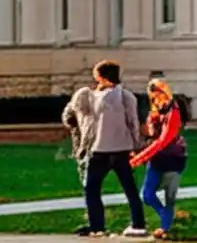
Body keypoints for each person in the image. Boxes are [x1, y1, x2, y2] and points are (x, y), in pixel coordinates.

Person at [82, 60, 147, 238]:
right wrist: (136, 145)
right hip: (121, 148)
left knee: (92, 188)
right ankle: (138, 223)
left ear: (101, 77)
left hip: (100, 149)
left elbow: (89, 121)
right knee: (130, 188)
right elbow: (133, 123)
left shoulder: (95, 97)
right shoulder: (126, 97)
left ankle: (97, 226)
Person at [131, 78, 189, 240]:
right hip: (156, 159)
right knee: (147, 195)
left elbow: (163, 141)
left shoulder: (174, 112)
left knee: (170, 197)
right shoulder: (157, 111)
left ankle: (165, 228)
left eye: (158, 95)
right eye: (153, 97)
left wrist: (139, 158)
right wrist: (151, 120)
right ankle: (166, 218)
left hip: (173, 158)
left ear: (165, 93)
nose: (156, 99)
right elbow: (151, 135)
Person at [63, 85, 98, 236]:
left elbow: (68, 120)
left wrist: (82, 150)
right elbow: (68, 119)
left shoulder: (85, 114)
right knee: (91, 188)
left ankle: (95, 223)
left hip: (92, 152)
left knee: (90, 187)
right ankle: (95, 223)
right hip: (95, 149)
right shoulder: (89, 109)